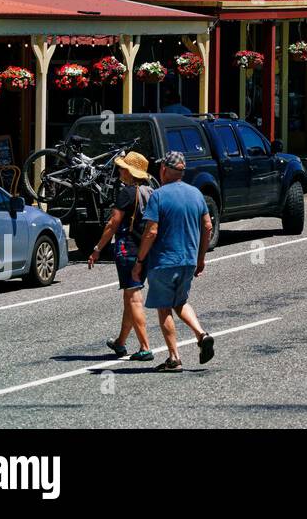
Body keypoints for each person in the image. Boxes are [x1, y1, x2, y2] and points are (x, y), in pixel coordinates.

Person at [133, 151, 215, 372]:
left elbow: (151, 231)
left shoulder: (158, 196)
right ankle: (201, 334)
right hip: (188, 259)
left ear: (165, 170)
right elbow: (207, 226)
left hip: (164, 261)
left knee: (164, 307)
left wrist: (140, 260)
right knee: (180, 301)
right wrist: (201, 258)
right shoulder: (196, 194)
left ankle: (174, 358)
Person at [88, 151, 155, 362]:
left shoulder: (127, 193)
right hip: (147, 249)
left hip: (128, 249)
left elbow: (113, 223)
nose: (119, 171)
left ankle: (145, 347)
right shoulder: (151, 191)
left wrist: (98, 248)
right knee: (130, 295)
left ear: (129, 172)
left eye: (122, 168)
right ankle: (121, 343)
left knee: (133, 297)